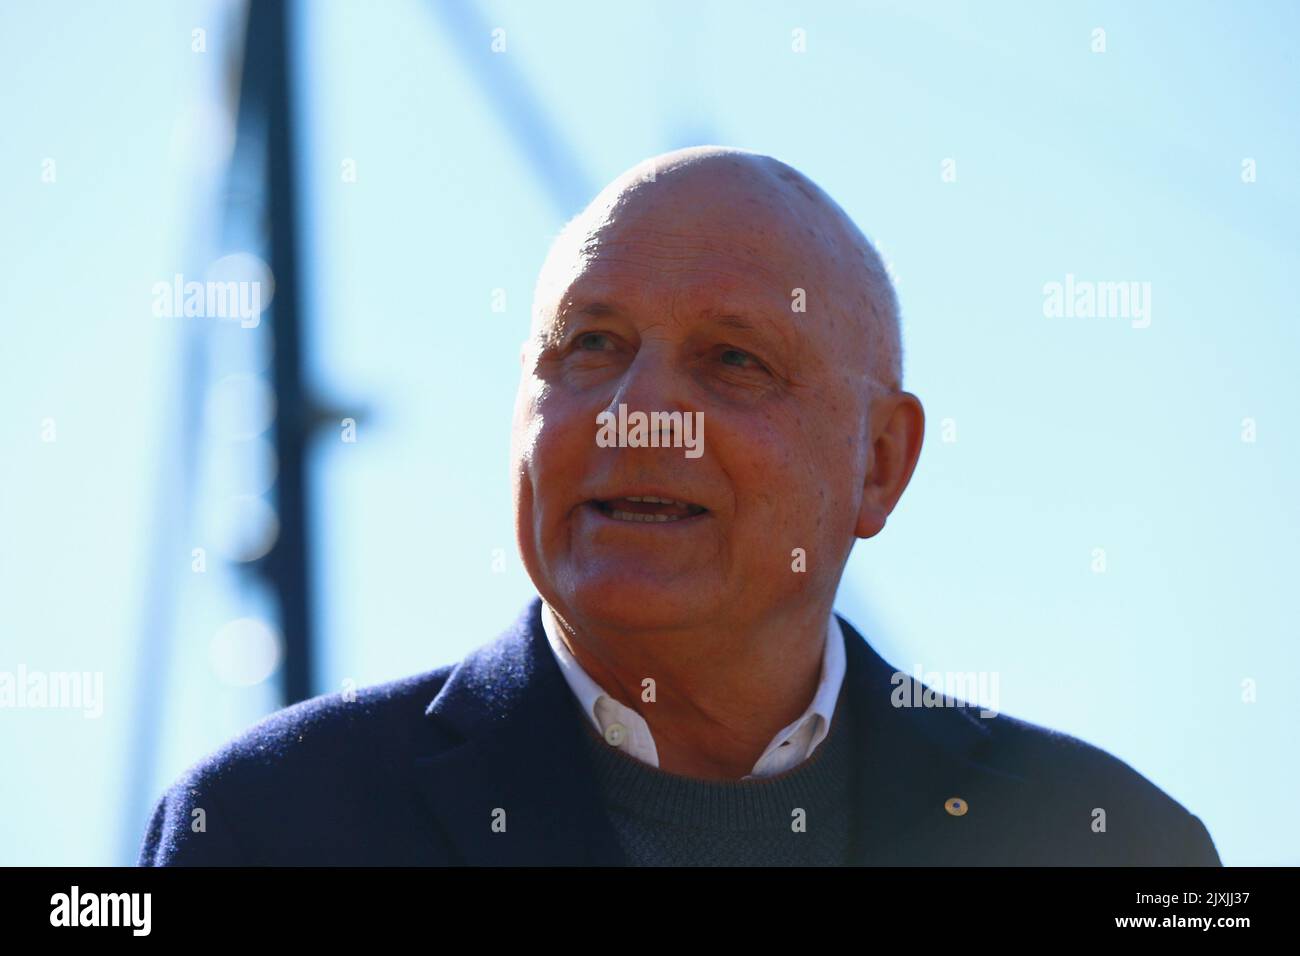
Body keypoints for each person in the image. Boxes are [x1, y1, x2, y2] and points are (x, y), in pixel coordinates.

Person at [139, 146, 1220, 865]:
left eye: (733, 359)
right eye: (590, 345)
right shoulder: (271, 827)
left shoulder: (1109, 843)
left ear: (879, 463)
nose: (638, 411)